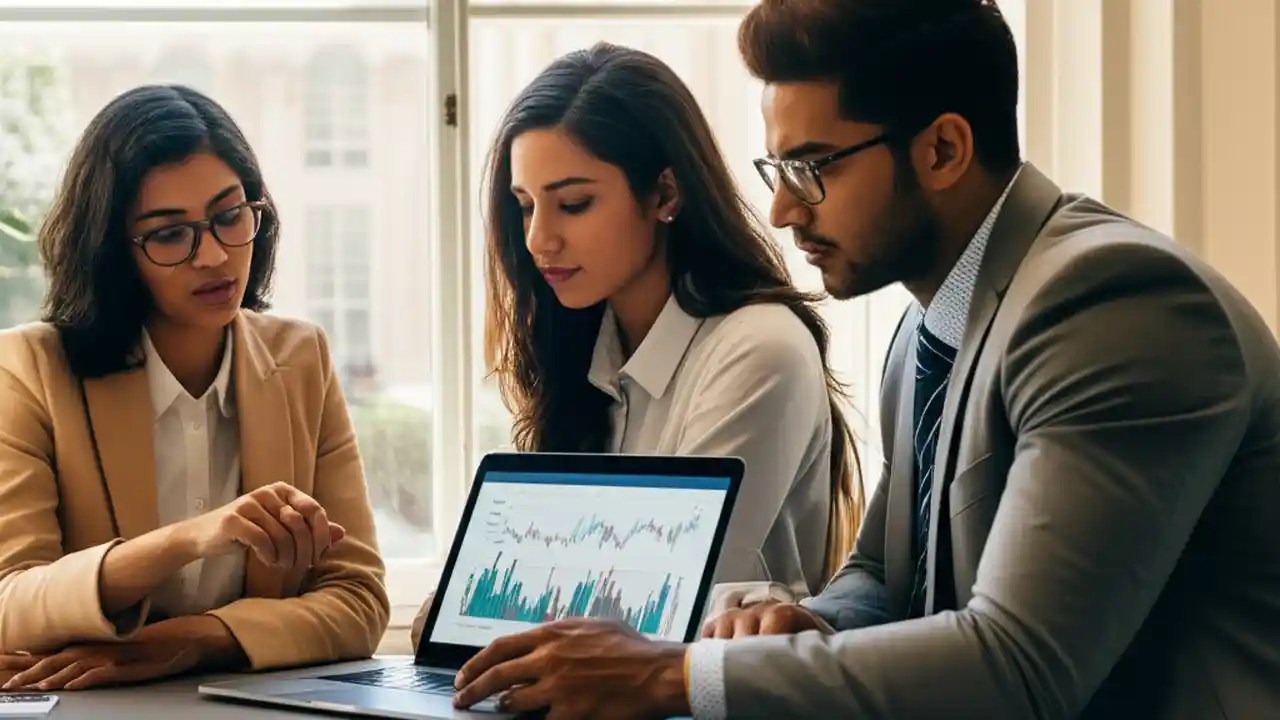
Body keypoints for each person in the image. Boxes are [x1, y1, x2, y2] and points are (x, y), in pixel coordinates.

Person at [448, 1, 1280, 718]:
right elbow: (884, 574)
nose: (779, 208)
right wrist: (805, 624)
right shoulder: (929, 328)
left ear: (944, 150)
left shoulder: (1112, 303)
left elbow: (1024, 666)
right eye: (777, 169)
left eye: (811, 168)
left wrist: (679, 673)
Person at [409, 42, 865, 649]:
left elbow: (661, 606)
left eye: (574, 204)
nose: (540, 239)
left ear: (666, 195)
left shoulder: (759, 349)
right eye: (524, 207)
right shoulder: (588, 352)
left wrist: (491, 622)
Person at [0, 85, 389, 692]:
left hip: (246, 701)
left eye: (230, 216)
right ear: (112, 251)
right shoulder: (29, 368)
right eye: (168, 233)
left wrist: (189, 641)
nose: (212, 256)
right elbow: (11, 603)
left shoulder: (300, 356)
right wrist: (191, 538)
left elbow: (359, 600)